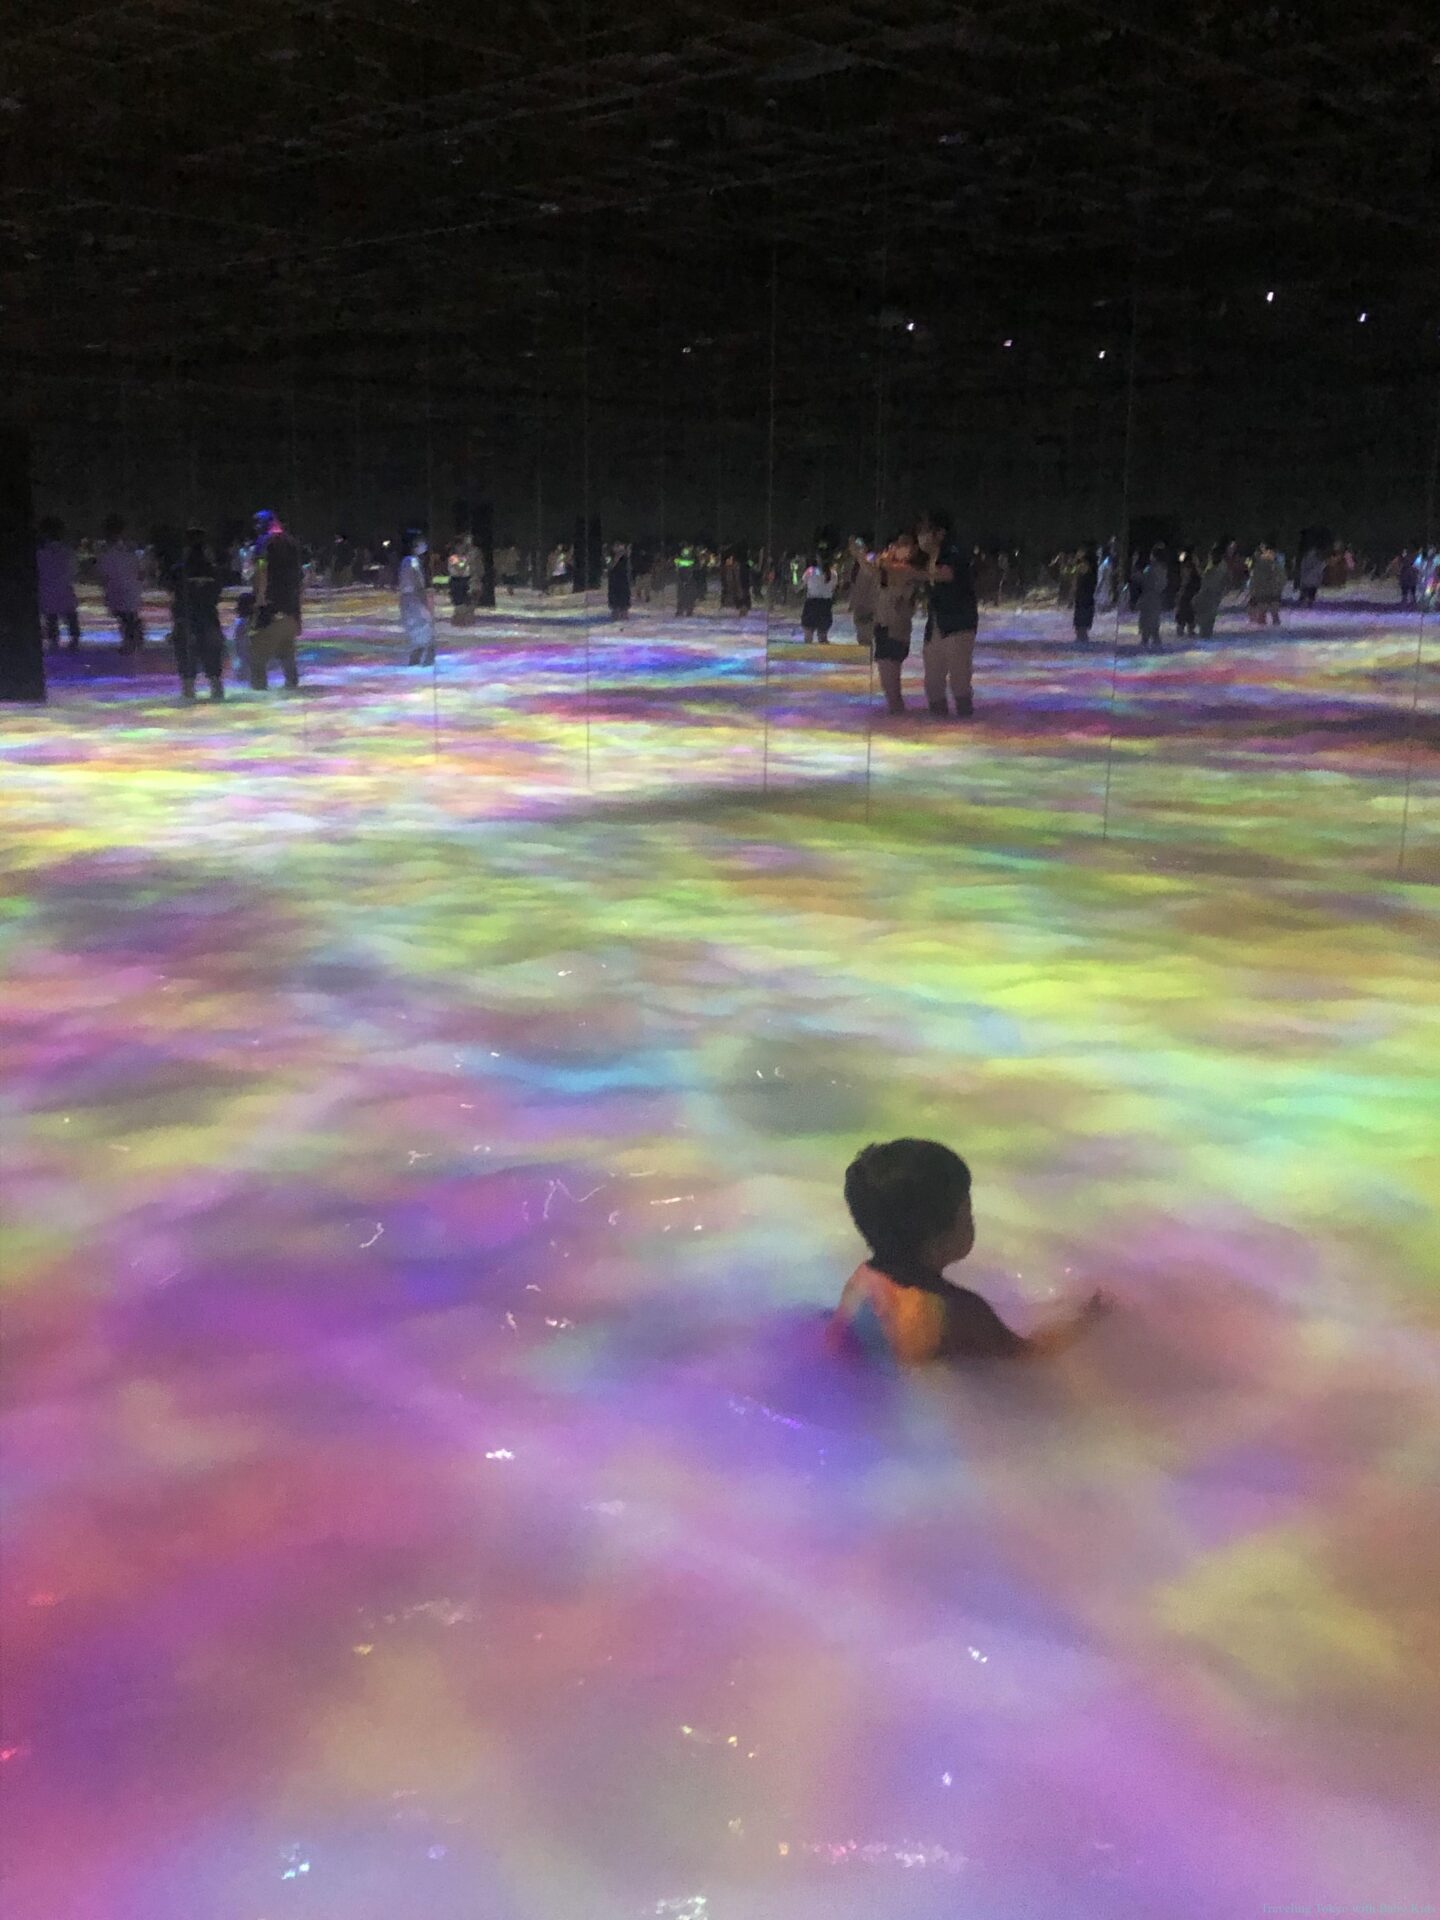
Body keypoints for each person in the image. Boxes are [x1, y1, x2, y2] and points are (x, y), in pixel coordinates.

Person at [831, 1139, 1111, 1366]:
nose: (973, 1220)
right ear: (937, 1240)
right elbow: (1030, 1357)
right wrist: (1085, 1321)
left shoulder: (862, 1283)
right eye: (967, 1214)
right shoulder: (960, 1312)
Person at [917, 508, 979, 716]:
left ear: (939, 532)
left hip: (958, 621)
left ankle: (965, 721)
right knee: (932, 681)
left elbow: (946, 575)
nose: (921, 535)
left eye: (926, 529)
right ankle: (938, 722)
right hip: (936, 622)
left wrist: (913, 574)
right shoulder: (926, 557)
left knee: (959, 679)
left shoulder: (954, 551)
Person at [867, 532, 924, 714]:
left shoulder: (907, 571)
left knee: (891, 687)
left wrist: (884, 559)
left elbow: (883, 566)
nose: (898, 547)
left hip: (895, 631)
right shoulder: (889, 571)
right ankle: (897, 718)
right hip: (884, 628)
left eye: (904, 544)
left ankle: (900, 720)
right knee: (888, 685)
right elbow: (872, 567)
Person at [248, 509, 303, 690]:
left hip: (270, 601)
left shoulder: (264, 542)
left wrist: (260, 597)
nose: (256, 527)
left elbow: (262, 569)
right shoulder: (292, 542)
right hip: (291, 603)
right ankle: (292, 685)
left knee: (256, 651)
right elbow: (299, 575)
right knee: (286, 647)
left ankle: (259, 691)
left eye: (257, 523)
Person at [172, 528, 226, 702]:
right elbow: (216, 595)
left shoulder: (178, 571)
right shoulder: (214, 571)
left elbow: (173, 594)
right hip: (209, 619)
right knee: (214, 672)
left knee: (187, 673)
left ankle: (188, 698)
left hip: (185, 620)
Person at [97, 515, 145, 657]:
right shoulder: (122, 549)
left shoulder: (114, 550)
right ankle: (133, 639)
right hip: (123, 586)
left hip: (122, 586)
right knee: (126, 615)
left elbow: (103, 570)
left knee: (126, 616)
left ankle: (131, 641)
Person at [36, 518, 81, 651]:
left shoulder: (40, 552)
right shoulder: (67, 551)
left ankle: (54, 641)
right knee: (69, 614)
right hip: (63, 589)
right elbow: (74, 570)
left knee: (51, 616)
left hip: (47, 589)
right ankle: (73, 639)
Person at [397, 529, 435, 665]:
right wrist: (421, 597)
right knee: (422, 626)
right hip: (413, 598)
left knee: (418, 627)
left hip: (411, 598)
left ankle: (418, 657)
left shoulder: (411, 561)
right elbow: (414, 581)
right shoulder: (411, 561)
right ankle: (422, 656)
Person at [848, 535, 878, 655]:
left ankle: (870, 666)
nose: (852, 548)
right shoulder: (856, 563)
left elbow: (871, 574)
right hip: (860, 605)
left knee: (866, 639)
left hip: (870, 605)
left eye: (857, 544)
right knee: (862, 638)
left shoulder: (871, 559)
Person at [1137, 542, 1166, 650]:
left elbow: (1142, 580)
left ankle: (1145, 644)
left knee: (1146, 622)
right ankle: (1155, 643)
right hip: (1157, 599)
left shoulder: (1150, 569)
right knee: (1154, 623)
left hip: (1148, 598)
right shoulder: (1163, 569)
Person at [1194, 544, 1228, 639]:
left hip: (1209, 596)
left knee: (1206, 621)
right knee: (1208, 621)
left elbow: (1207, 582)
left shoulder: (1216, 569)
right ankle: (1206, 638)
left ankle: (1204, 638)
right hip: (1213, 596)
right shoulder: (1221, 567)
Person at [800, 555, 836, 642]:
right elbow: (833, 588)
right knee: (823, 636)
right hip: (825, 605)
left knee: (808, 634)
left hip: (812, 604)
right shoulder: (833, 573)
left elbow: (801, 585)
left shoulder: (811, 571)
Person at [1248, 538, 1284, 626]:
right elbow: (1281, 576)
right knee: (1273, 611)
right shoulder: (1275, 562)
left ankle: (1262, 628)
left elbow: (1255, 577)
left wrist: (1253, 589)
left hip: (1263, 589)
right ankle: (1272, 626)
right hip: (1271, 589)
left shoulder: (1261, 562)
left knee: (1263, 611)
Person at [447, 532, 475, 626]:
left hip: (465, 581)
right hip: (457, 582)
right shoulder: (453, 558)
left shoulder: (464, 557)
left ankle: (461, 621)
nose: (462, 548)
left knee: (465, 603)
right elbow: (459, 570)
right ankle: (457, 621)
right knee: (459, 604)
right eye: (460, 546)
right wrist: (466, 562)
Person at [1174, 548, 1202, 638]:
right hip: (1188, 592)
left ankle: (1185, 628)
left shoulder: (1190, 569)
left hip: (1188, 592)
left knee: (1186, 610)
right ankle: (1185, 628)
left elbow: (1186, 580)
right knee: (1186, 611)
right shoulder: (1191, 568)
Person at [1072, 545, 1097, 646]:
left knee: (1082, 613)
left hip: (1083, 594)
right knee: (1083, 613)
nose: (1077, 554)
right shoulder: (1088, 565)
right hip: (1084, 594)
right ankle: (1082, 634)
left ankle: (1082, 634)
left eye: (1079, 552)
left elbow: (1077, 579)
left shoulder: (1084, 565)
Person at [606, 542, 632, 620]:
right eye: (616, 546)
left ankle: (624, 613)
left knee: (625, 597)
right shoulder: (609, 556)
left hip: (623, 579)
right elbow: (609, 566)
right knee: (614, 599)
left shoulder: (625, 557)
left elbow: (629, 567)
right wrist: (617, 557)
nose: (619, 548)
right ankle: (615, 613)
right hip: (613, 580)